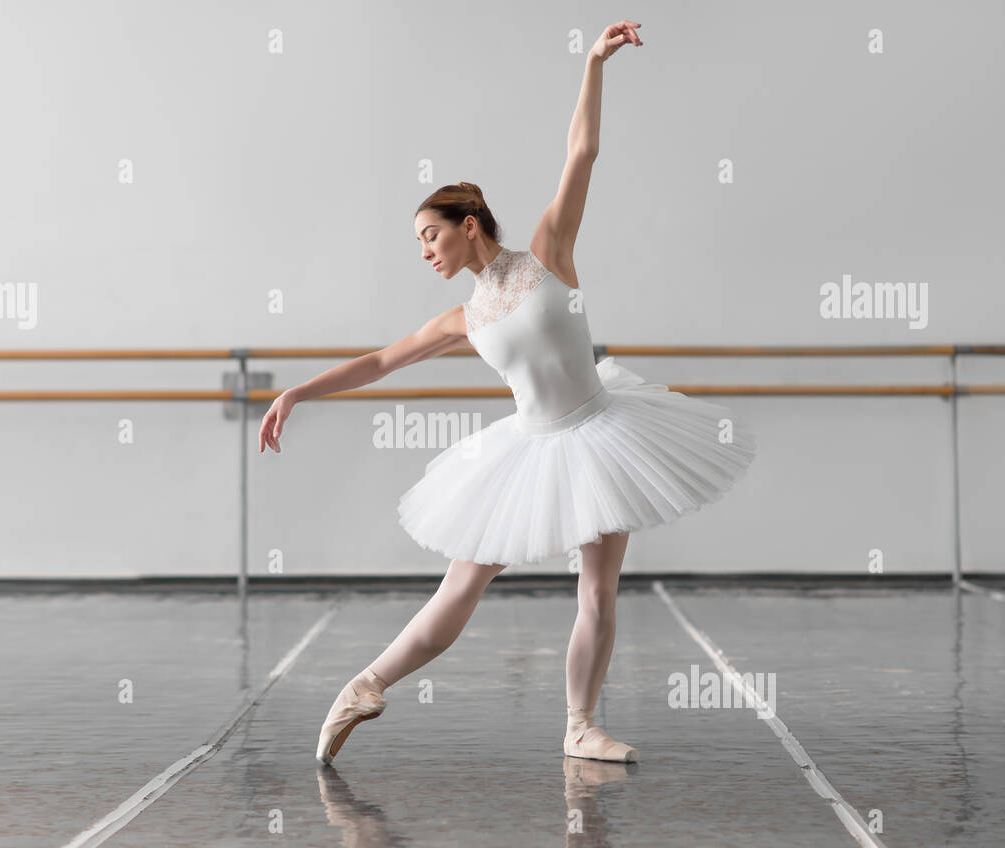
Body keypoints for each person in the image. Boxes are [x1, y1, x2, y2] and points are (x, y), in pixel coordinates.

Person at [259, 20, 756, 765]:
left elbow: (581, 152)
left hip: (603, 430)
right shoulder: (461, 317)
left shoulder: (551, 249)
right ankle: (365, 684)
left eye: (430, 235)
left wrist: (593, 61)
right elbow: (381, 359)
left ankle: (579, 724)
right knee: (460, 587)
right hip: (527, 449)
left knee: (597, 592)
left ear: (468, 224)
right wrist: (298, 390)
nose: (424, 250)